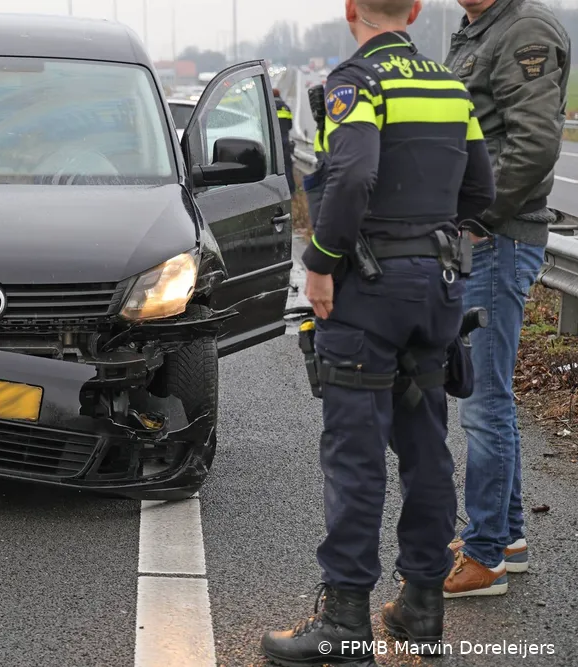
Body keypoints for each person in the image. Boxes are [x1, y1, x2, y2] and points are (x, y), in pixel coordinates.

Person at [260, 0, 495, 664]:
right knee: (426, 444)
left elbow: (355, 171)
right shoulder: (451, 86)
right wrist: (438, 241)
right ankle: (422, 607)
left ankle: (342, 623)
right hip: (438, 287)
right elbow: (482, 188)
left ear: (350, 9)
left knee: (355, 453)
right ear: (417, 10)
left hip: (369, 289)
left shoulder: (356, 82)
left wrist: (322, 262)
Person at [442, 0, 571, 599]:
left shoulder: (526, 29)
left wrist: (479, 218)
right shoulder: (474, 30)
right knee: (489, 393)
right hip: (482, 237)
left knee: (483, 403)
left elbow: (536, 144)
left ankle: (486, 554)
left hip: (498, 236)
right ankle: (507, 538)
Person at [273, 88, 297, 195]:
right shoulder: (286, 107)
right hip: (285, 141)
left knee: (276, 168)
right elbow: (290, 126)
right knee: (288, 166)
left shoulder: (270, 107)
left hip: (274, 143)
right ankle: (291, 190)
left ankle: (281, 192)